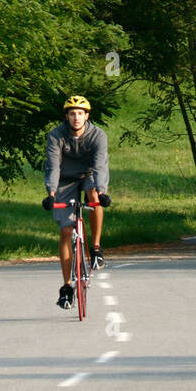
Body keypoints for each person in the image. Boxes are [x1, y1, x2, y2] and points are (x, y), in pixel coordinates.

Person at [42, 95, 111, 309]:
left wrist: (101, 191)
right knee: (65, 230)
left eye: (80, 113)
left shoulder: (98, 135)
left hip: (89, 176)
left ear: (87, 116)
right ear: (66, 116)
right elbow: (53, 166)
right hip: (64, 180)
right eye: (72, 113)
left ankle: (96, 248)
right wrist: (51, 193)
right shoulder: (56, 136)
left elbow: (100, 166)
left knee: (93, 197)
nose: (76, 117)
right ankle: (66, 288)